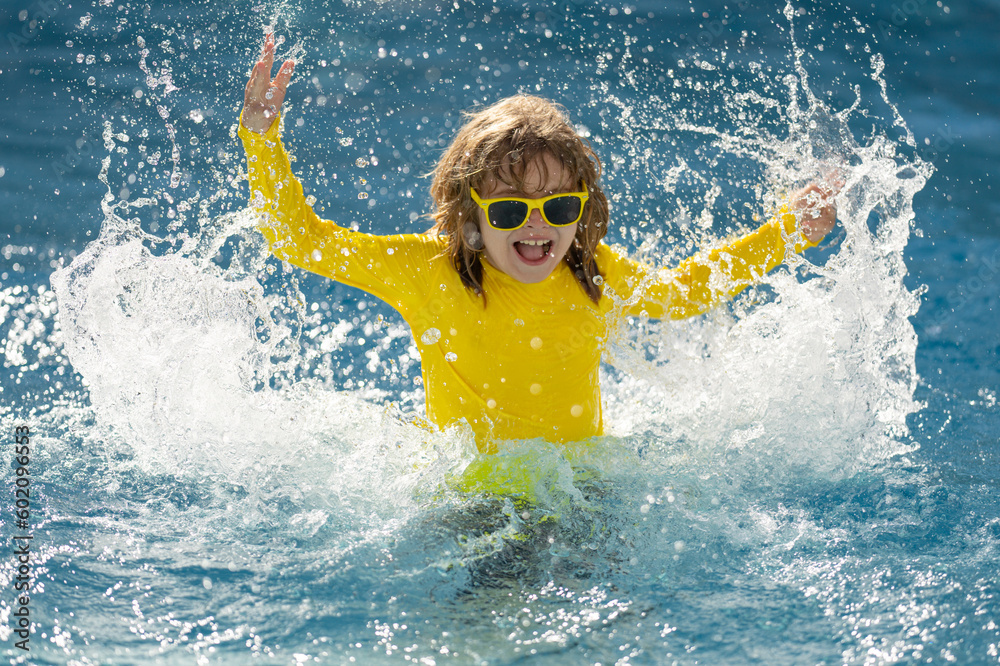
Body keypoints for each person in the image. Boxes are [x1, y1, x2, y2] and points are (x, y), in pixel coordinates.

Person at [239, 33, 838, 455]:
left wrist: (787, 232)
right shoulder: (428, 271)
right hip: (473, 499)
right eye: (508, 209)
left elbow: (681, 292)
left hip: (578, 491)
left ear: (584, 209)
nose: (537, 227)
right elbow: (301, 242)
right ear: (466, 213)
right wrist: (262, 143)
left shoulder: (591, 273)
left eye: (558, 206)